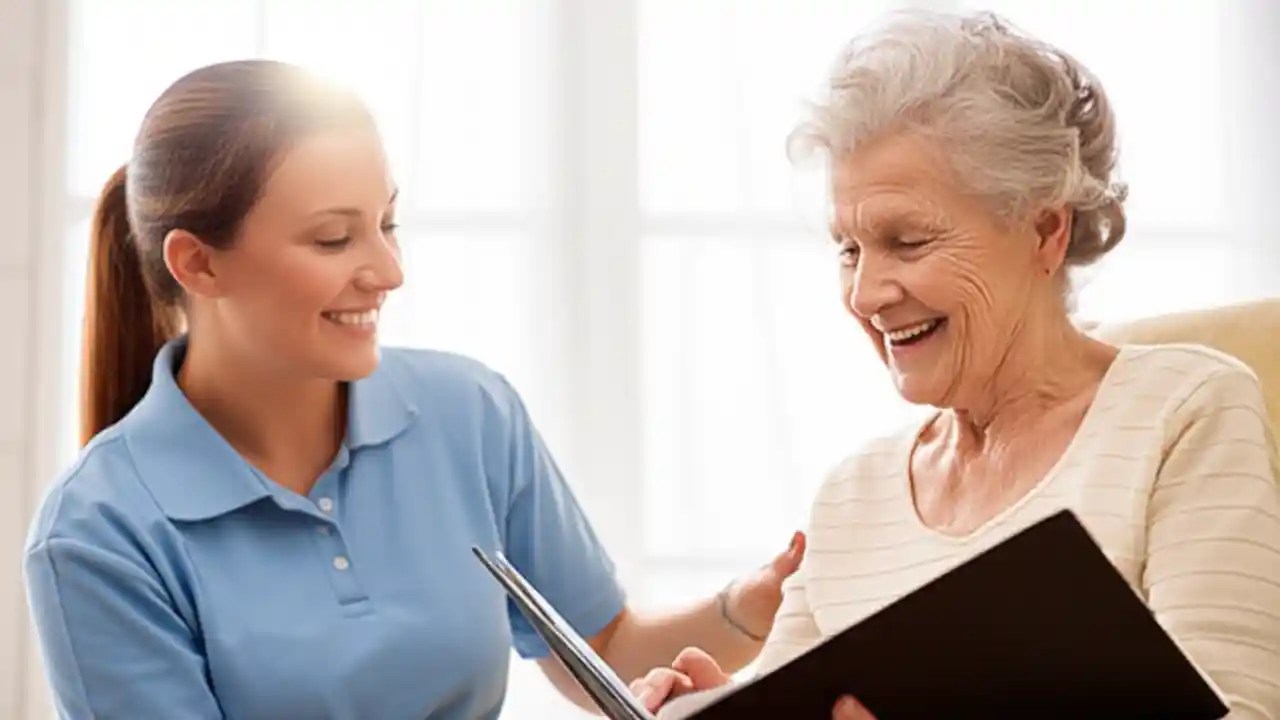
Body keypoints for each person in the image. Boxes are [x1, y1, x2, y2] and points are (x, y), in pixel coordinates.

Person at [22, 60, 806, 720]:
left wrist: (753, 608)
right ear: (198, 263)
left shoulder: (467, 414)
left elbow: (599, 650)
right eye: (334, 238)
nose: (388, 272)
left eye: (387, 224)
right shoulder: (97, 538)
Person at [632, 10, 1280, 719]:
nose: (864, 294)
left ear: (1044, 230)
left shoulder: (1184, 413)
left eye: (907, 241)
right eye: (848, 249)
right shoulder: (854, 496)